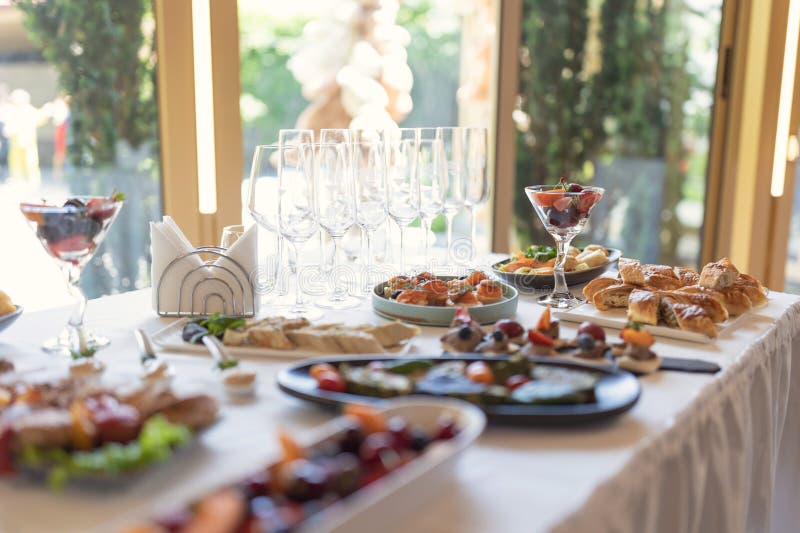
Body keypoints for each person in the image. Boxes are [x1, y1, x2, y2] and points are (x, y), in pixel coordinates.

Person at [2, 89, 47, 187]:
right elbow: (9, 125)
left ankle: (33, 180)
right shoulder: (13, 112)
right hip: (15, 143)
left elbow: (40, 118)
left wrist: (46, 111)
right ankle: (17, 179)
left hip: (28, 143)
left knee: (31, 162)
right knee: (15, 162)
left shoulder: (29, 110)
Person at [51, 95, 70, 180]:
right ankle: (58, 173)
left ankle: (61, 173)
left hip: (67, 132)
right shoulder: (60, 106)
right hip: (62, 131)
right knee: (60, 153)